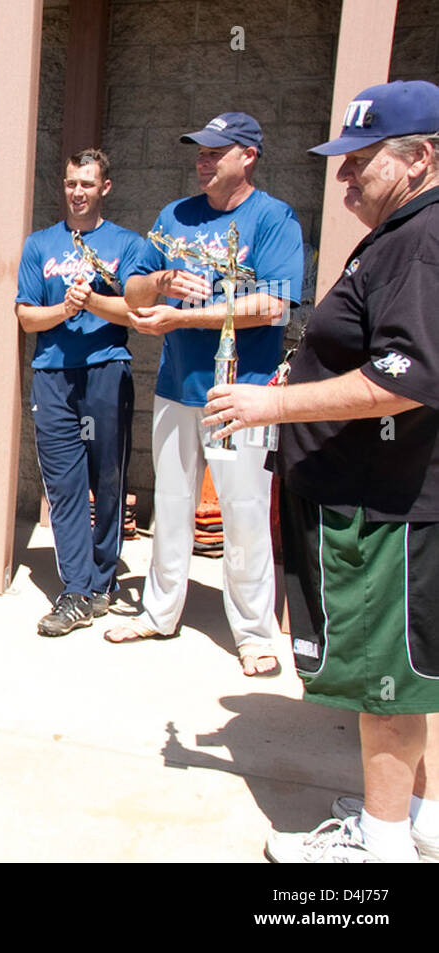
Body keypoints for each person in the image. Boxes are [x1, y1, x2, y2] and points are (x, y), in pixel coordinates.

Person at [202, 81, 439, 863]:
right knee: (408, 676)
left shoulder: (418, 241)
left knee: (383, 681)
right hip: (389, 494)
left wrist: (274, 407)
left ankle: (379, 846)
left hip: (386, 505)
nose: (344, 181)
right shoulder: (406, 231)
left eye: (360, 164)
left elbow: (405, 374)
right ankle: (415, 817)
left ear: (421, 159)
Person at [109, 113, 304, 678]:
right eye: (198, 151)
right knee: (170, 507)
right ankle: (158, 612)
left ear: (248, 156)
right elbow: (134, 287)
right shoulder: (176, 216)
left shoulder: (273, 218)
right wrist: (163, 286)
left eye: (215, 151)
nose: (202, 160)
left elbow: (273, 305)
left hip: (244, 391)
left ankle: (254, 634)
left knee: (244, 512)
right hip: (177, 388)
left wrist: (186, 317)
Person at [15, 148, 144, 636]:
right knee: (64, 485)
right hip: (53, 375)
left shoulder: (128, 245)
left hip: (107, 368)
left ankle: (103, 578)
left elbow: (136, 313)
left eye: (87, 183)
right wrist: (67, 311)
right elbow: (27, 316)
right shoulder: (40, 245)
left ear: (104, 187)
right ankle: (75, 590)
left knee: (108, 478)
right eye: (71, 183)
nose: (78, 192)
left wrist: (94, 301)